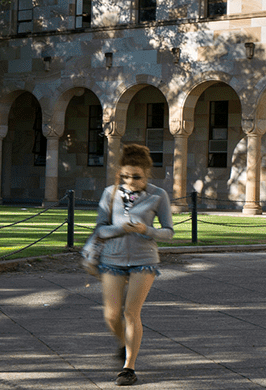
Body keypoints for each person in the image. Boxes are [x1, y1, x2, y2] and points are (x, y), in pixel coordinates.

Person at [96, 143, 174, 387]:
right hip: (112, 259)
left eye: (136, 177)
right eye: (125, 176)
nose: (130, 181)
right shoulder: (110, 193)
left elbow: (169, 233)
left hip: (144, 260)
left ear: (147, 173)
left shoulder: (158, 195)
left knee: (131, 312)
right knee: (111, 315)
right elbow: (100, 229)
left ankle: (128, 367)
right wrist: (119, 228)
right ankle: (124, 343)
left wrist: (146, 229)